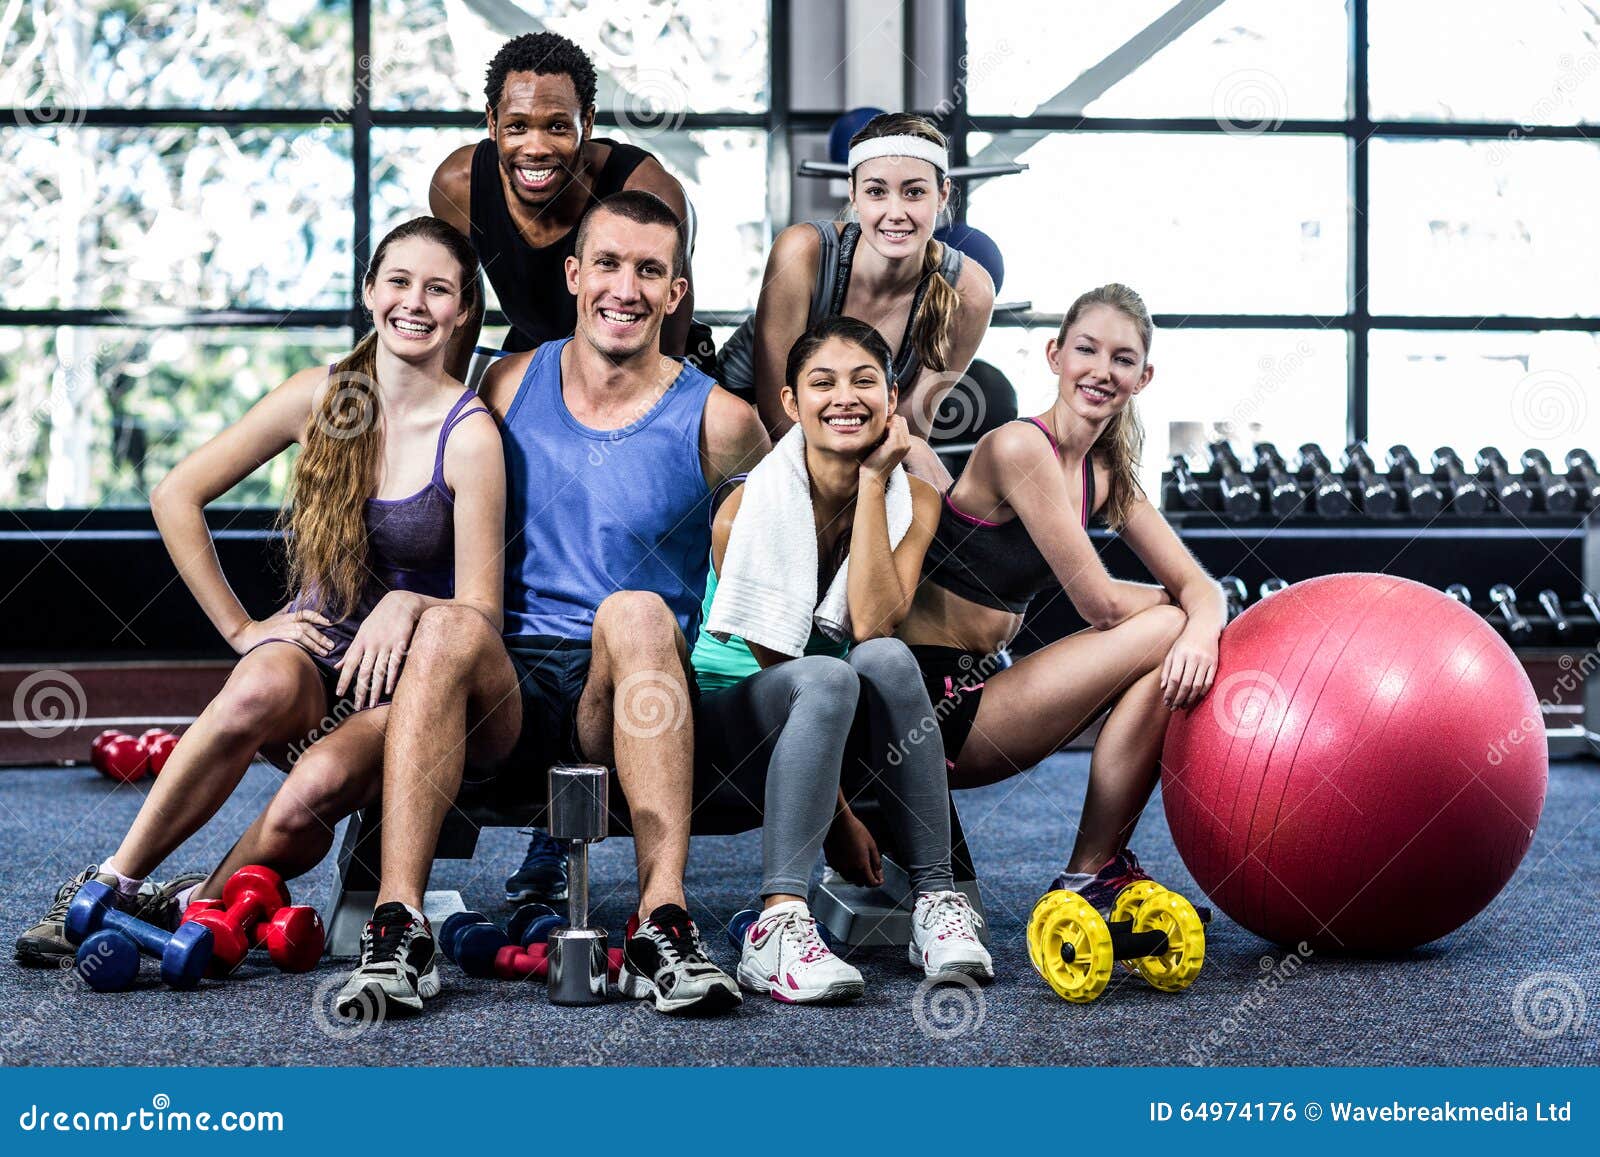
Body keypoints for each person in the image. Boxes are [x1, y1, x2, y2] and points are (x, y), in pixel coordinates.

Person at [14, 217, 503, 967]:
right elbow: (177, 494)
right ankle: (115, 879)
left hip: (404, 689)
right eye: (399, 281)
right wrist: (243, 628)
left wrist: (409, 608)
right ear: (370, 291)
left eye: (438, 288)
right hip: (314, 662)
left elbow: (482, 613)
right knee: (255, 686)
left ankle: (190, 906)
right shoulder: (319, 397)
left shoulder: (469, 435)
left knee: (319, 783)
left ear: (464, 309)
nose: (415, 302)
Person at [332, 190, 770, 1018]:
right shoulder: (507, 382)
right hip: (508, 689)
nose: (626, 287)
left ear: (677, 293)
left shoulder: (724, 420)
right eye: (607, 263)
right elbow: (430, 496)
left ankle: (662, 924)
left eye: (650, 271)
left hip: (629, 686)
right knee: (452, 621)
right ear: (574, 274)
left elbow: (785, 547)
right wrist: (391, 604)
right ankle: (400, 923)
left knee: (636, 609)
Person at [893, 283, 1227, 910]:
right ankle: (1089, 871)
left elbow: (1199, 584)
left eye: (1122, 359)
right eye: (1086, 350)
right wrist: (1183, 614)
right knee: (1165, 631)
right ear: (1054, 355)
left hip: (985, 685)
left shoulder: (1103, 474)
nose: (1101, 371)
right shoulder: (1020, 446)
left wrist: (1200, 621)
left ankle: (1094, 870)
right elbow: (1098, 605)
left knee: (1176, 634)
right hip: (929, 707)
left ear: (1143, 376)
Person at [690, 316, 992, 1003]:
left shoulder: (911, 497)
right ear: (793, 404)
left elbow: (874, 622)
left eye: (864, 381)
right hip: (734, 715)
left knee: (886, 656)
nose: (844, 397)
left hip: (836, 707)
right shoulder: (745, 511)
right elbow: (782, 668)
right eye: (821, 382)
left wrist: (871, 483)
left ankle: (935, 903)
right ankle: (778, 924)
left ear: (892, 398)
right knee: (826, 674)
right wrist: (842, 819)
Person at [718, 112, 995, 486]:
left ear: (943, 194)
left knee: (922, 462)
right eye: (876, 191)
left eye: (914, 192)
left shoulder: (970, 291)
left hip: (847, 440)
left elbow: (907, 431)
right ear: (853, 194)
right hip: (750, 431)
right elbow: (780, 417)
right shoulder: (802, 251)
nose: (895, 214)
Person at [429, 30, 703, 383]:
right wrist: (444, 400)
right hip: (535, 357)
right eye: (517, 126)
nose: (536, 147)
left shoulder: (650, 194)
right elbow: (462, 303)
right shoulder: (458, 186)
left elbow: (666, 349)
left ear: (586, 123)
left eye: (558, 126)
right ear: (493, 122)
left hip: (640, 363)